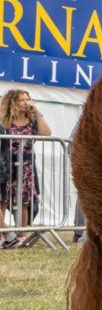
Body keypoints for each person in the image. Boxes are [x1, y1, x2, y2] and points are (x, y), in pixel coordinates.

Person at [1, 90, 50, 248]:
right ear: (13, 103)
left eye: (28, 99)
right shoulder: (4, 120)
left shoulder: (32, 120)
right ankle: (4, 235)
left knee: (22, 201)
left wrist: (37, 112)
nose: (26, 102)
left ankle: (21, 236)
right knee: (3, 201)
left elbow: (46, 133)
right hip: (5, 164)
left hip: (25, 165)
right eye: (22, 100)